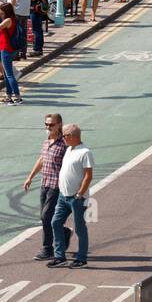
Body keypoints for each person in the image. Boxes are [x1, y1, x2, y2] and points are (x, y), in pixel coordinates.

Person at [24, 112, 69, 262]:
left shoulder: (64, 144)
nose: (48, 127)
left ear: (59, 125)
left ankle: (47, 249)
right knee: (45, 217)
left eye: (51, 124)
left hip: (57, 185)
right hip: (45, 184)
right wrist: (30, 177)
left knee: (46, 216)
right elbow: (42, 159)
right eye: (46, 124)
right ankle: (64, 233)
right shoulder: (46, 142)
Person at [48, 124, 94, 270]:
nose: (63, 138)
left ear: (73, 136)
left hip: (76, 199)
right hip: (63, 196)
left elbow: (88, 175)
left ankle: (81, 259)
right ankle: (60, 256)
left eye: (65, 136)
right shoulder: (69, 149)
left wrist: (80, 193)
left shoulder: (85, 152)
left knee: (80, 228)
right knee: (55, 222)